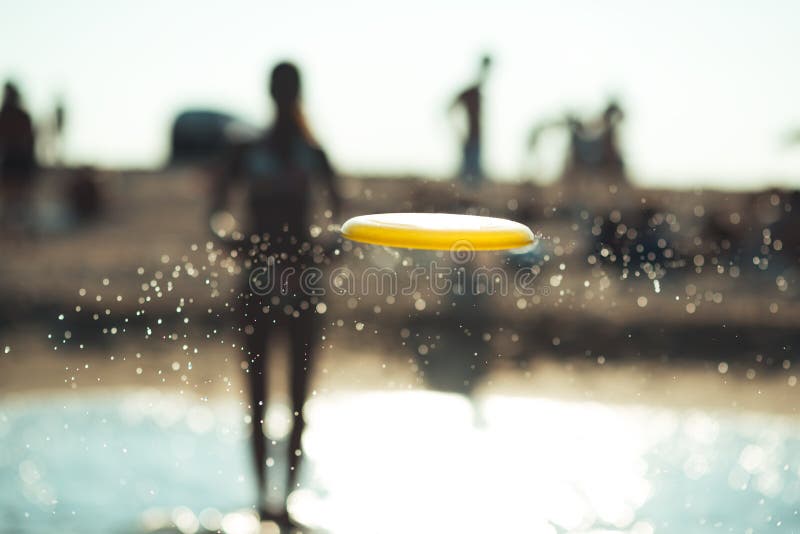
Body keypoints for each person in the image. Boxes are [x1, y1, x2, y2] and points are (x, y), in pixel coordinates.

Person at [210, 62, 340, 526]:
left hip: (303, 285)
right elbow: (216, 213)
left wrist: (328, 248)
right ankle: (266, 503)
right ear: (273, 94)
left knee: (299, 400)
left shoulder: (312, 153)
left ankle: (283, 505)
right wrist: (229, 240)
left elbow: (341, 223)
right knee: (258, 399)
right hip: (257, 284)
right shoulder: (248, 151)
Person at [0, 81, 36, 235]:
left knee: (15, 199)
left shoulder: (9, 115)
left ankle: (16, 228)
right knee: (16, 200)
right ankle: (16, 228)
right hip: (16, 162)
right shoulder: (20, 115)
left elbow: (30, 141)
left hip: (14, 162)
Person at [449, 55, 492, 186]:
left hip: (476, 137)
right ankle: (465, 200)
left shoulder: (478, 92)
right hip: (470, 137)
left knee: (475, 174)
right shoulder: (471, 92)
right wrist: (459, 130)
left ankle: (469, 199)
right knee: (469, 175)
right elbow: (450, 108)